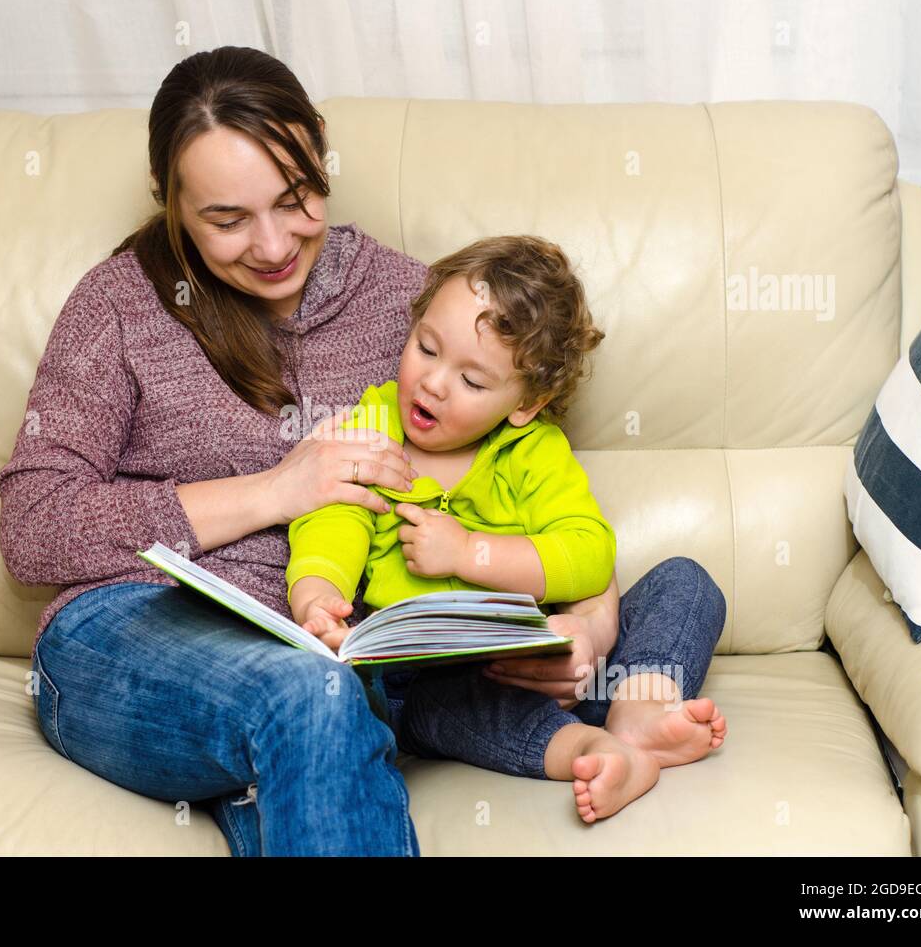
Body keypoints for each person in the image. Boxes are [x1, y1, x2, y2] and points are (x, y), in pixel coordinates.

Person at [0, 45, 724, 855]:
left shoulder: (410, 307)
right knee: (310, 693)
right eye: (226, 219)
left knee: (324, 705)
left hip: (340, 671)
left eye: (295, 197)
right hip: (129, 633)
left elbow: (531, 483)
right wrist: (277, 489)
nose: (273, 245)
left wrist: (589, 621)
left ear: (319, 147)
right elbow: (33, 527)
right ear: (169, 202)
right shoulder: (120, 305)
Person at [287, 235, 727, 822]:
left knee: (687, 581)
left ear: (524, 402)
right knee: (443, 704)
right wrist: (317, 594)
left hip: (554, 665)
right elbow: (332, 519)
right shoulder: (375, 423)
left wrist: (471, 553)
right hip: (432, 682)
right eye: (425, 348)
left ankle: (639, 710)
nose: (434, 383)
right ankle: (592, 751)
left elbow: (588, 553)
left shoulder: (533, 449)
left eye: (472, 381)